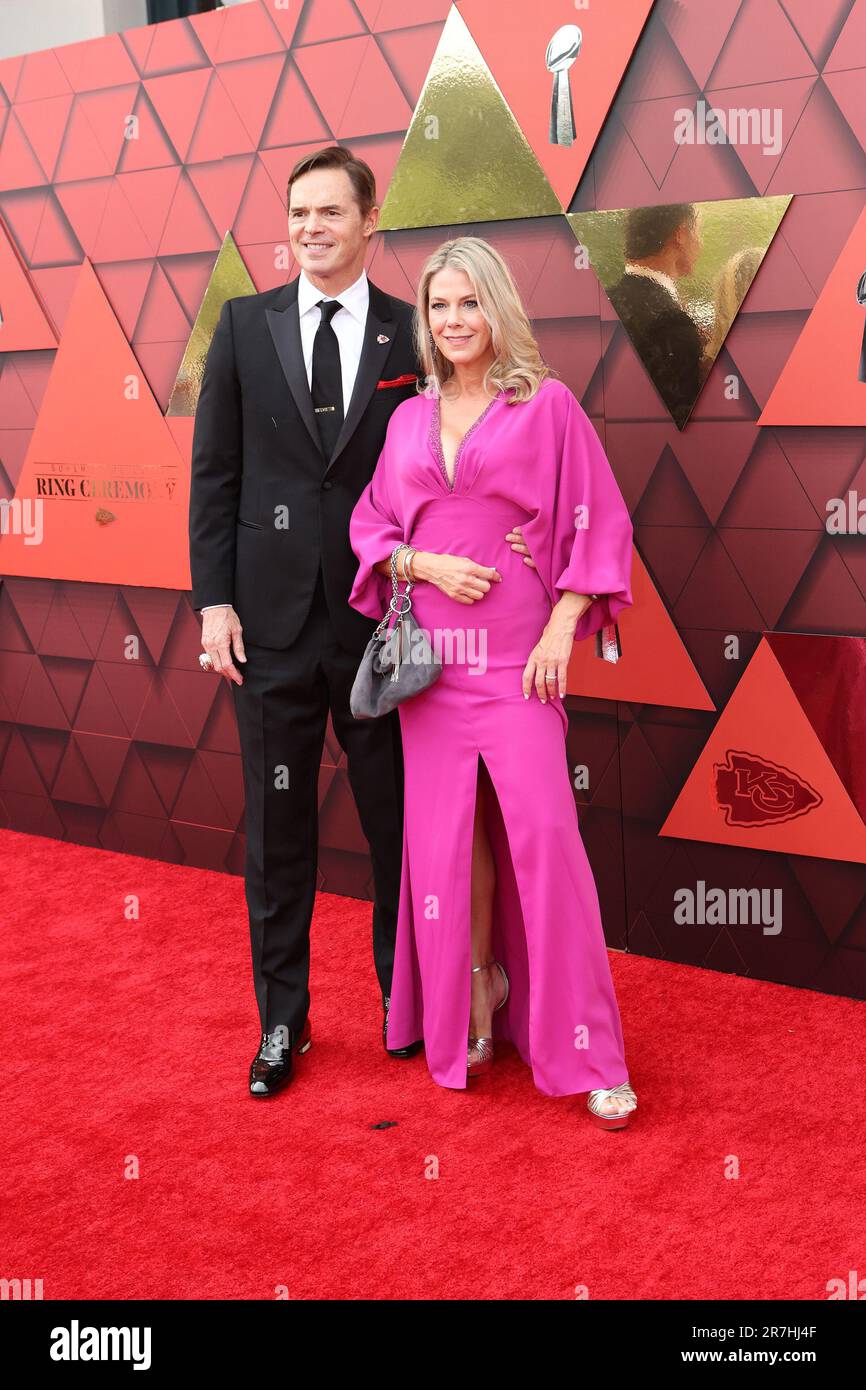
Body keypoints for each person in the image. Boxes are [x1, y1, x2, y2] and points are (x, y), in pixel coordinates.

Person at [348, 236, 638, 1127]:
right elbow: (369, 533)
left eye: (469, 303)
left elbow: (598, 522)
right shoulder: (405, 421)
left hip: (518, 658)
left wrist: (560, 625)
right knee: (447, 846)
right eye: (439, 306)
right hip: (433, 669)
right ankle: (477, 997)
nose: (453, 320)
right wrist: (423, 563)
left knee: (545, 839)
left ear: (498, 310)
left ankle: (588, 1049)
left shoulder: (546, 408)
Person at [189, 145, 436, 1097]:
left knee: (397, 828)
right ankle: (280, 1025)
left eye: (331, 213)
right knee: (278, 833)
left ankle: (401, 1003)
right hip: (269, 627)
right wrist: (214, 602)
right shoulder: (244, 327)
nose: (311, 230)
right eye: (299, 214)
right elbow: (216, 475)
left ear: (370, 223)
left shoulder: (412, 334)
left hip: (378, 624)